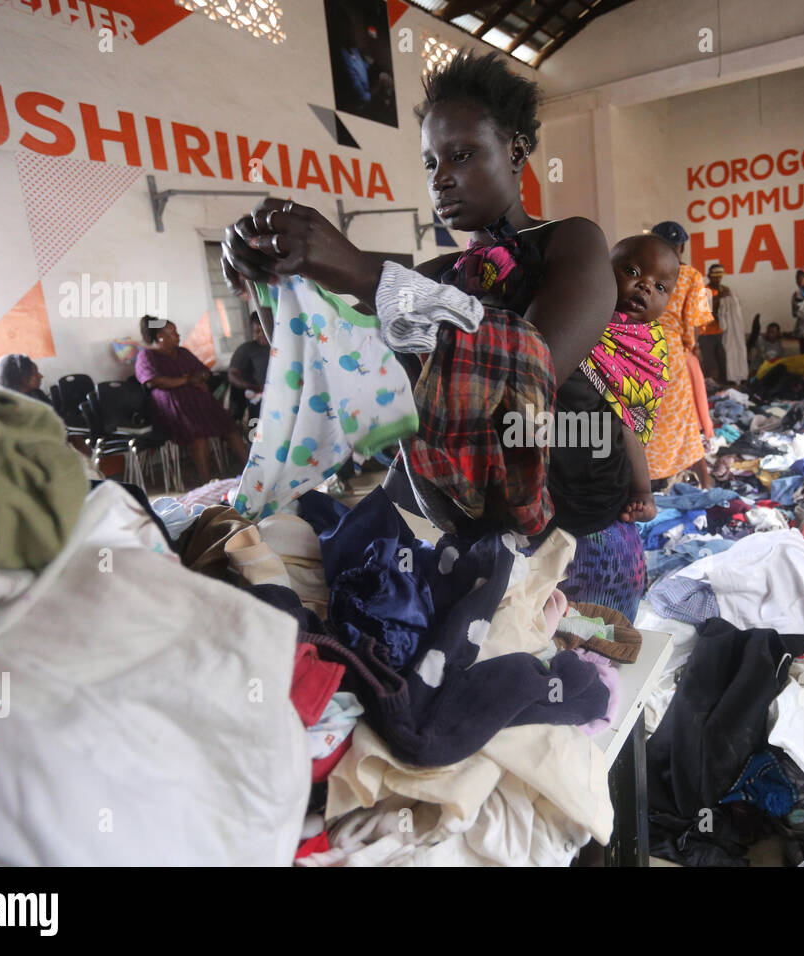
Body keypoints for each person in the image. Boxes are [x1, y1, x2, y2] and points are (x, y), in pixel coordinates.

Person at [220, 51, 649, 619]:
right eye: (429, 162)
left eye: (462, 154)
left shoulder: (571, 243)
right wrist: (274, 284)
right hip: (478, 535)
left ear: (517, 149)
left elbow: (531, 366)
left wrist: (362, 271)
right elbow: (334, 378)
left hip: (581, 538)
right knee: (507, 685)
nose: (440, 176)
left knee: (601, 687)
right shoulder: (433, 278)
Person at [583, 234, 678, 523]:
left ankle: (644, 493)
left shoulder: (650, 339)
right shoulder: (585, 308)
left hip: (619, 417)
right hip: (575, 431)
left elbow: (649, 380)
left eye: (660, 286)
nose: (645, 286)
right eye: (632, 272)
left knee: (627, 428)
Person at [134, 316, 247, 485]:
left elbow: (204, 372)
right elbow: (154, 381)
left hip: (200, 403)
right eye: (172, 333)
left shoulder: (183, 353)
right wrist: (187, 380)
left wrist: (198, 378)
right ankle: (207, 482)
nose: (178, 336)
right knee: (198, 435)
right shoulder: (147, 356)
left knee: (231, 428)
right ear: (160, 337)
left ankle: (250, 470)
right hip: (171, 408)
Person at [645, 220, 714, 489]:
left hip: (636, 348)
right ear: (681, 247)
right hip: (671, 353)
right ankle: (704, 483)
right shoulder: (690, 276)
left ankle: (647, 481)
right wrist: (688, 345)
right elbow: (693, 324)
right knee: (683, 423)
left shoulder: (639, 272)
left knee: (641, 421)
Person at [706, 262, 748, 385]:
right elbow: (705, 313)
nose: (718, 279)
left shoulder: (725, 289)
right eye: (715, 276)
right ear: (709, 276)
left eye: (720, 276)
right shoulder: (705, 291)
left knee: (724, 364)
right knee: (711, 365)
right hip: (708, 335)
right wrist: (719, 298)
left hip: (723, 333)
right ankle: (712, 388)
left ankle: (724, 389)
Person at [227, 320, 270, 425]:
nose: (261, 334)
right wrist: (253, 387)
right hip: (258, 398)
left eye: (264, 330)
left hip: (282, 396)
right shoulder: (247, 349)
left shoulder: (283, 346)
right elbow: (232, 375)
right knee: (259, 434)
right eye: (257, 331)